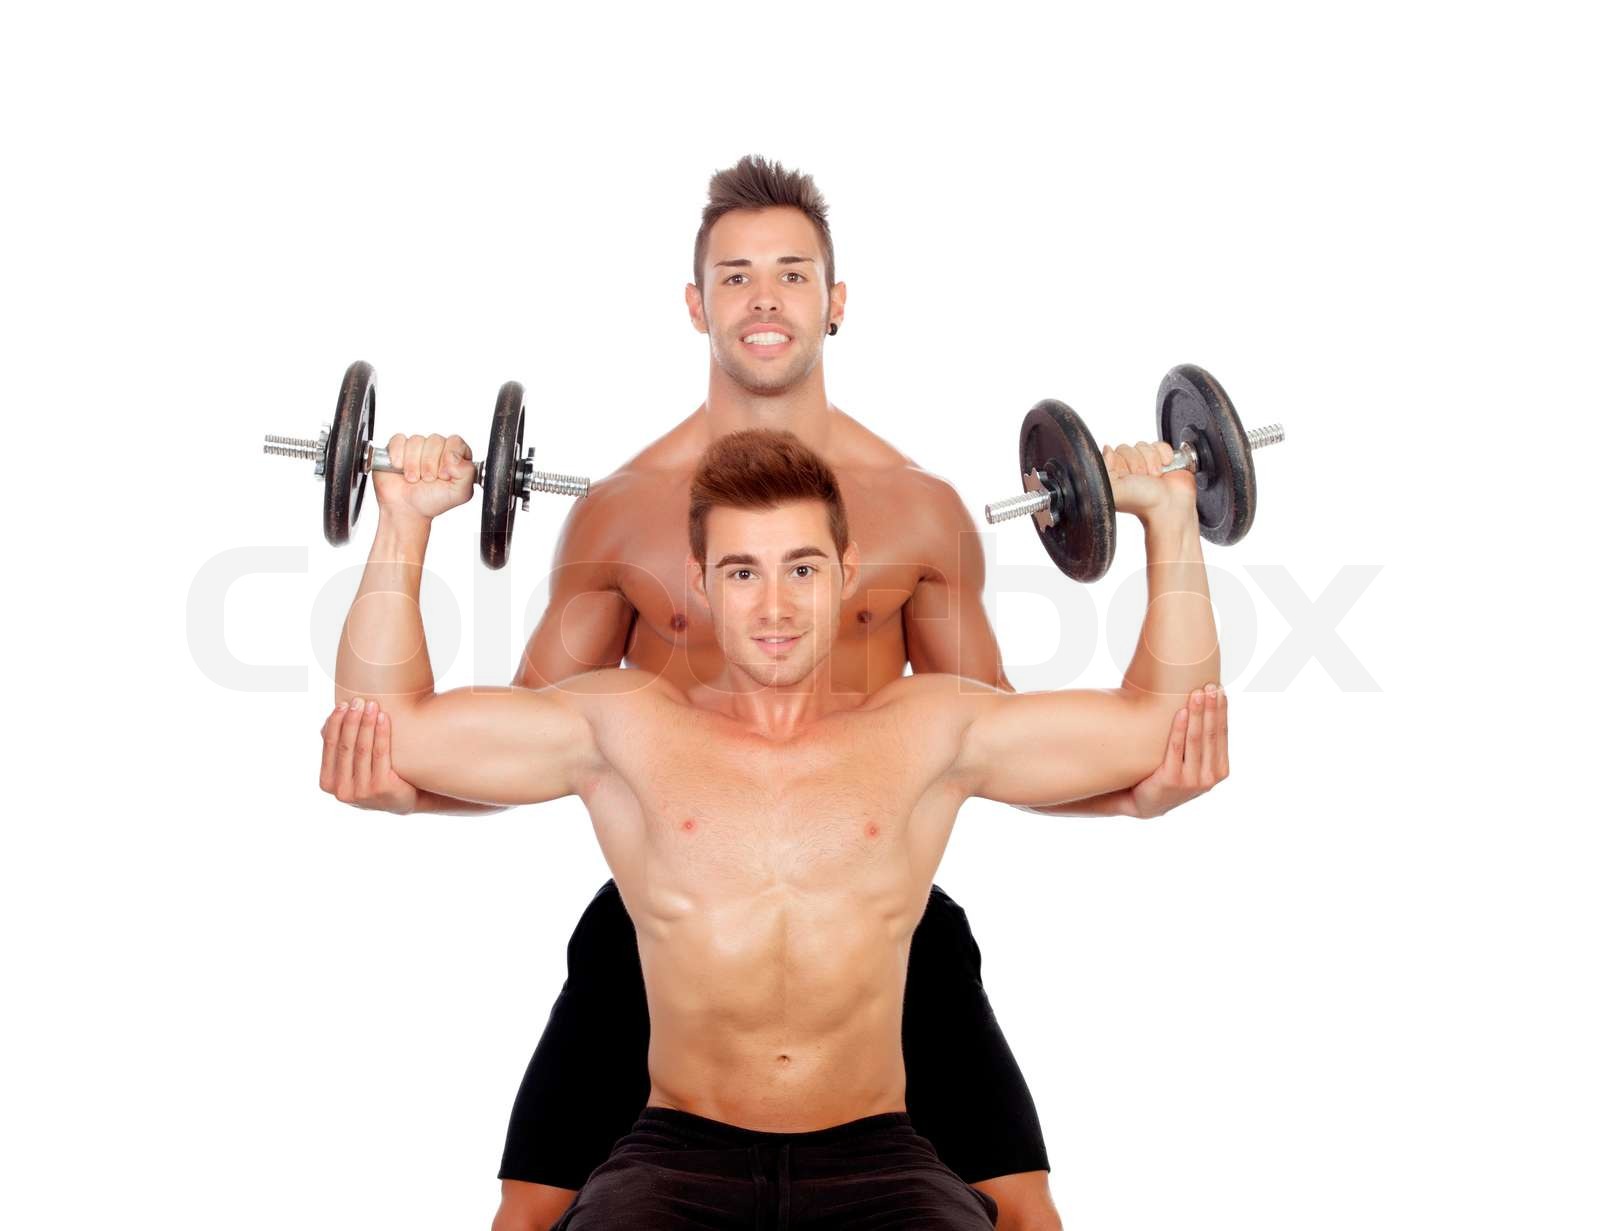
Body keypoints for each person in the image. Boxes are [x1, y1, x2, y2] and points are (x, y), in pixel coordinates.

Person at [320, 155, 1229, 1231]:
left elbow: (998, 743)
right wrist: (405, 776)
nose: (764, 300)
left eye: (792, 274)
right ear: (695, 303)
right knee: (530, 1211)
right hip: (668, 914)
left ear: (835, 300)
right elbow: (504, 740)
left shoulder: (921, 514)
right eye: (737, 276)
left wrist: (1132, 788)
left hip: (877, 914)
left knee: (1024, 1207)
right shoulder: (617, 518)